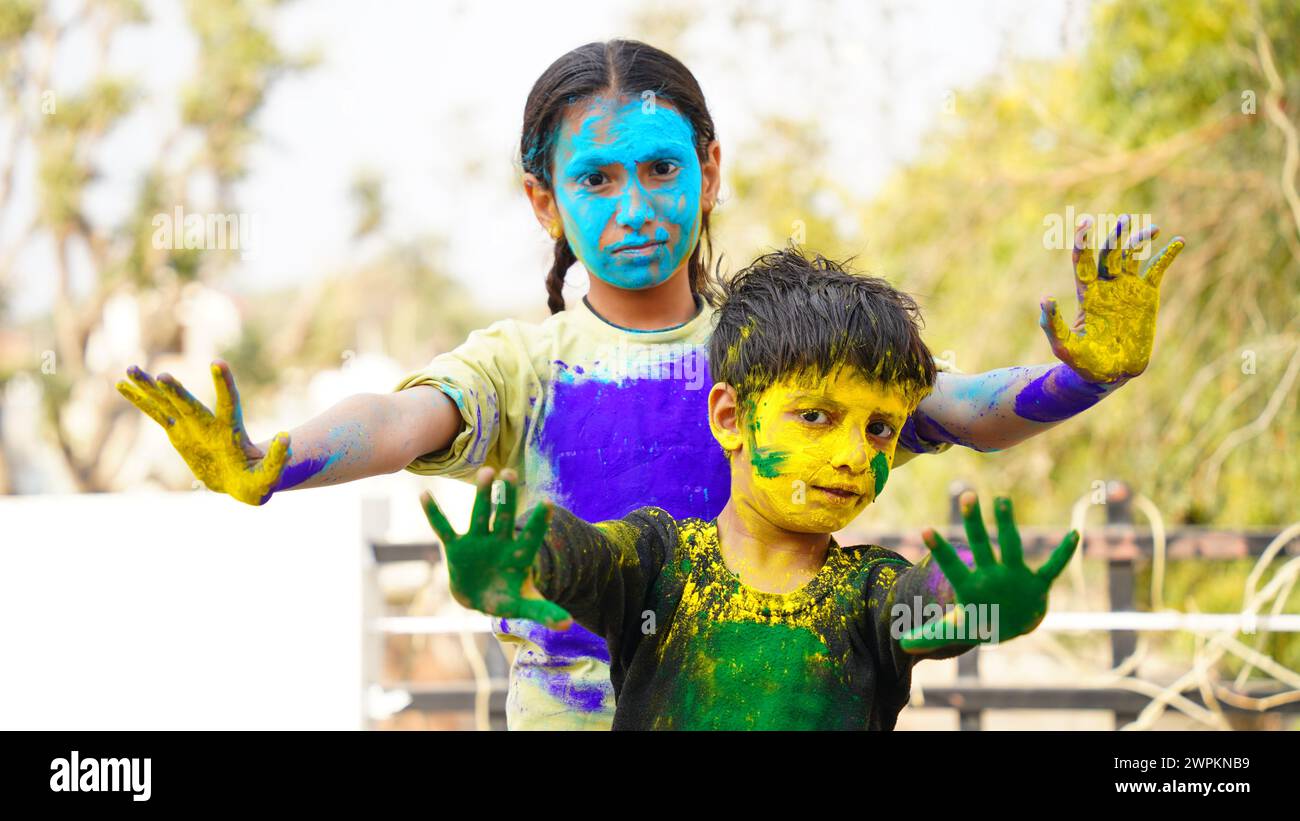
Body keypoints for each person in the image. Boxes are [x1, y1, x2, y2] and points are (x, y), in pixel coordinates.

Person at [116, 40, 1183, 730]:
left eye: (661, 169)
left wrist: (1079, 376)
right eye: (596, 177)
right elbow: (396, 418)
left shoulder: (781, 352)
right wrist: (278, 459)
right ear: (545, 201)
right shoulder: (525, 363)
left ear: (709, 170)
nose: (634, 204)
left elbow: (966, 408)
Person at [420, 248, 1080, 730]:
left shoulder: (871, 592)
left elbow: (934, 606)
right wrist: (518, 560)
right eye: (816, 415)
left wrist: (985, 600)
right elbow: (580, 553)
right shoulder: (659, 562)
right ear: (730, 418)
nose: (853, 455)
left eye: (880, 428)